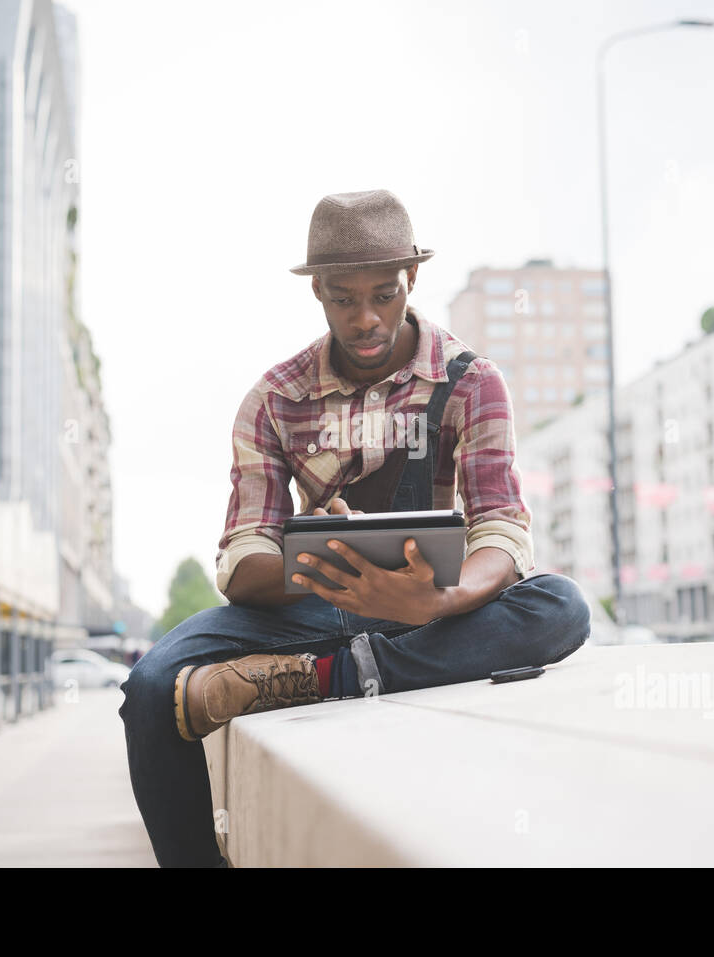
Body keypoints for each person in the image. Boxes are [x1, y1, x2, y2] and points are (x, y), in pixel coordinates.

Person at [118, 189, 591, 867]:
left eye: (384, 295)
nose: (365, 318)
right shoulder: (273, 400)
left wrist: (442, 597)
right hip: (307, 605)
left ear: (412, 278)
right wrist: (325, 559)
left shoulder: (471, 382)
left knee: (560, 606)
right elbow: (243, 562)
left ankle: (327, 676)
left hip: (427, 611)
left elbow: (502, 532)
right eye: (343, 298)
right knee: (149, 688)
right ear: (316, 289)